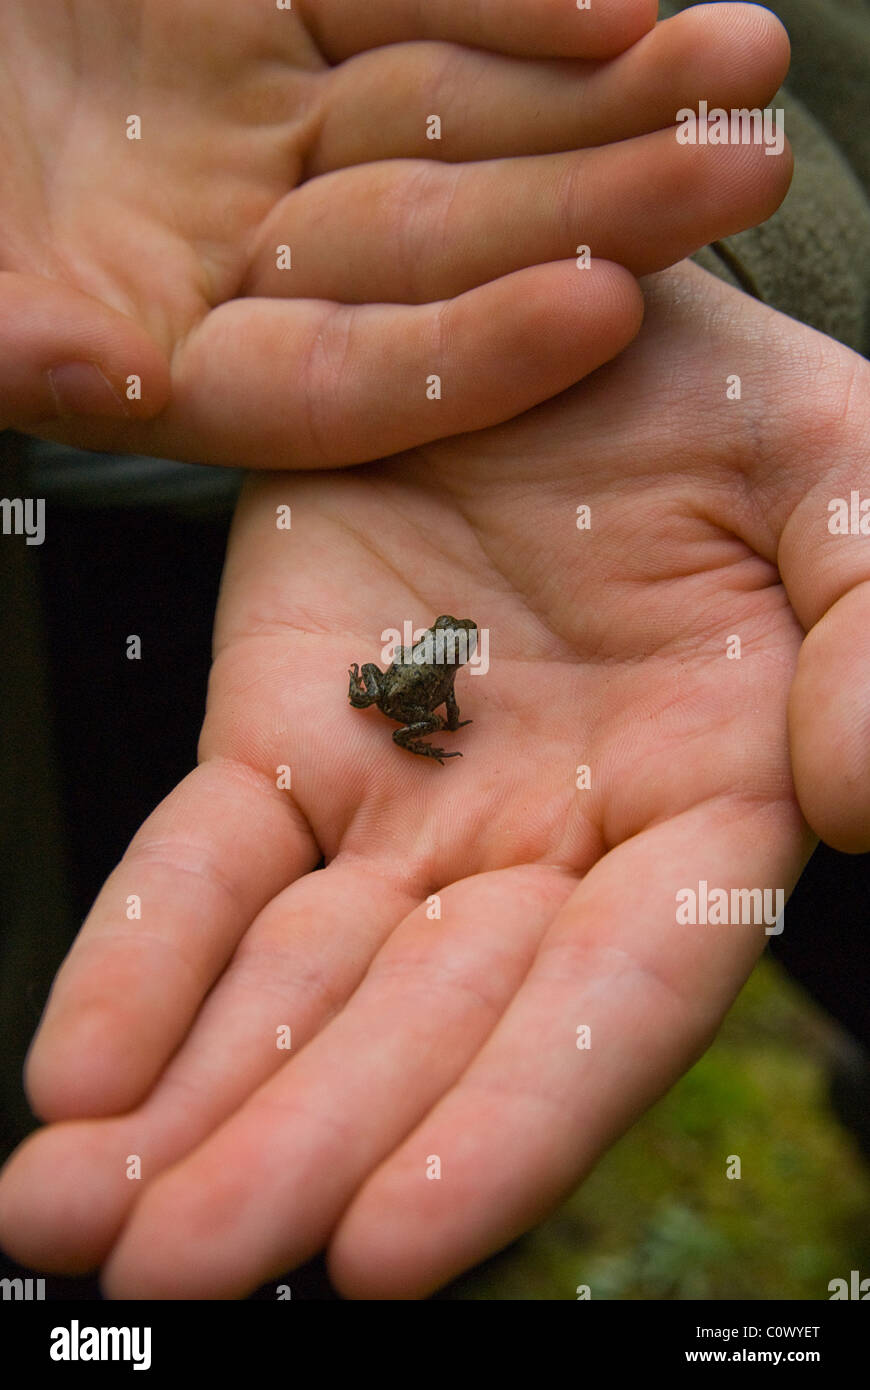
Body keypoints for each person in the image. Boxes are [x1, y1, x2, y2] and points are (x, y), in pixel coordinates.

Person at [1, 0, 869, 1297]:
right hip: (118, 584)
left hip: (388, 511)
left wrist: (701, 272)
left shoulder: (452, 640)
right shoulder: (424, 667)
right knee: (223, 1054)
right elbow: (412, 682)